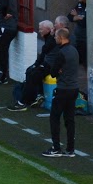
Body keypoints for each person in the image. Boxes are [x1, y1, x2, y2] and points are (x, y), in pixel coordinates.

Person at [41, 28, 82, 158]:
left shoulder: (61, 53)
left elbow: (53, 72)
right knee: (70, 119)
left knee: (54, 117)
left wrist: (58, 71)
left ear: (61, 37)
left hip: (63, 88)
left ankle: (56, 148)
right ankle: (70, 149)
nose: (55, 39)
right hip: (74, 88)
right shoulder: (74, 51)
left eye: (56, 37)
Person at [8, 21, 56, 111]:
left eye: (41, 29)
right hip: (48, 64)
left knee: (34, 74)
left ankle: (23, 102)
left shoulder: (52, 39)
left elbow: (44, 54)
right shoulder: (49, 38)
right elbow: (42, 56)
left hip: (52, 66)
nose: (39, 31)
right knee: (30, 71)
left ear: (48, 29)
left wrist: (37, 65)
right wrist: (35, 65)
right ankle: (35, 95)